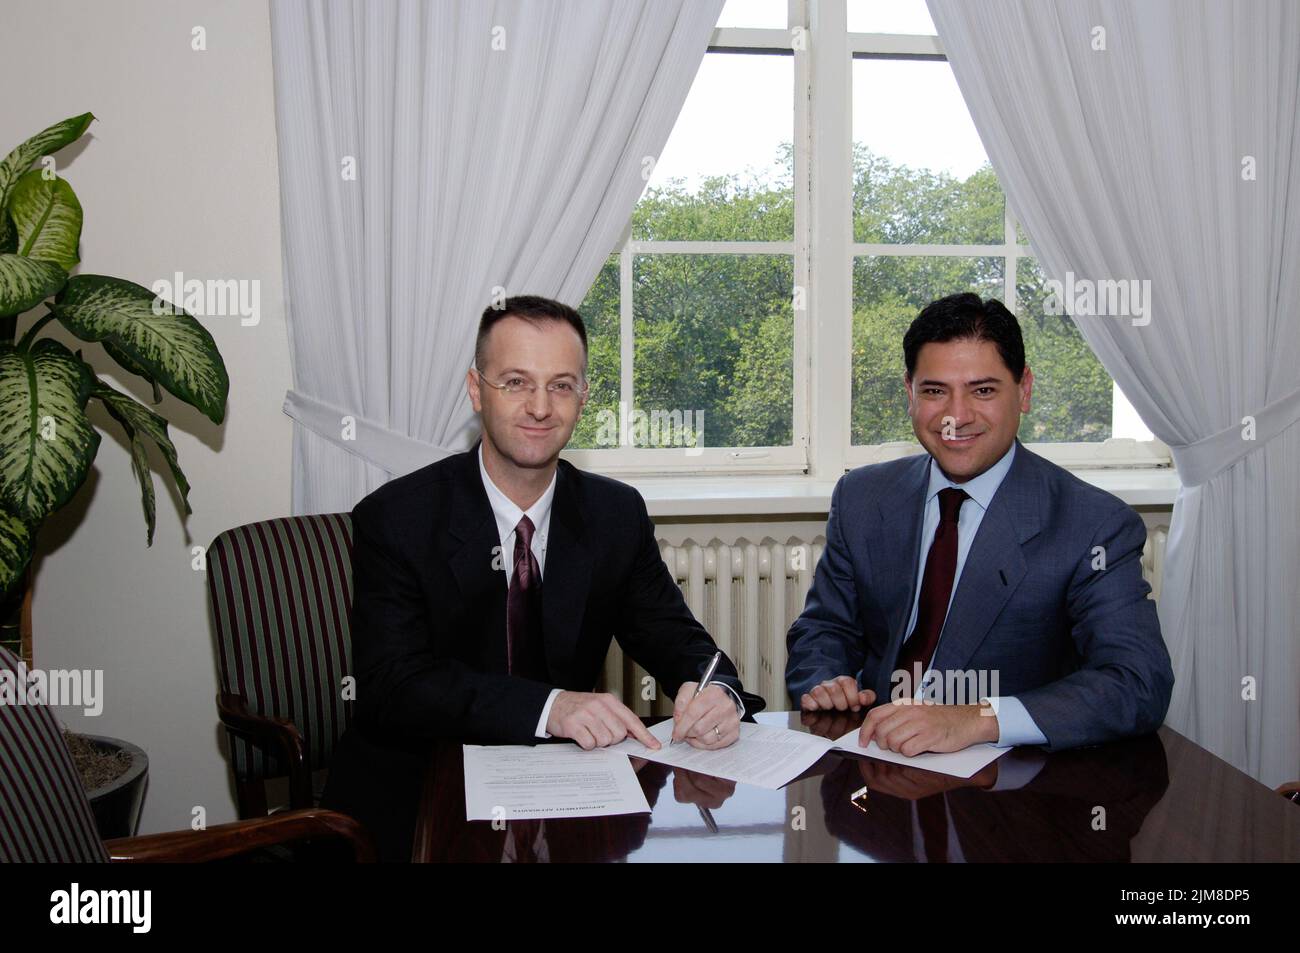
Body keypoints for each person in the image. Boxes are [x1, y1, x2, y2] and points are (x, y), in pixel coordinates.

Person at [324, 295, 760, 859]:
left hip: (569, 794)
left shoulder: (613, 513)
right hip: (419, 790)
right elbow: (392, 686)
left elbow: (680, 643)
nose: (539, 406)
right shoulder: (398, 517)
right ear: (476, 390)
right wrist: (551, 706)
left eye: (560, 385)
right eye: (515, 382)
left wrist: (718, 693)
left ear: (583, 397)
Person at [785, 292, 1173, 755]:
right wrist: (828, 679)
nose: (957, 416)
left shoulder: (1094, 525)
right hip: (876, 764)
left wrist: (976, 719)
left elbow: (1137, 682)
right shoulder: (863, 497)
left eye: (983, 390)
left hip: (1011, 785)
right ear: (909, 393)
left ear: (1024, 390)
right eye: (934, 391)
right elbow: (824, 628)